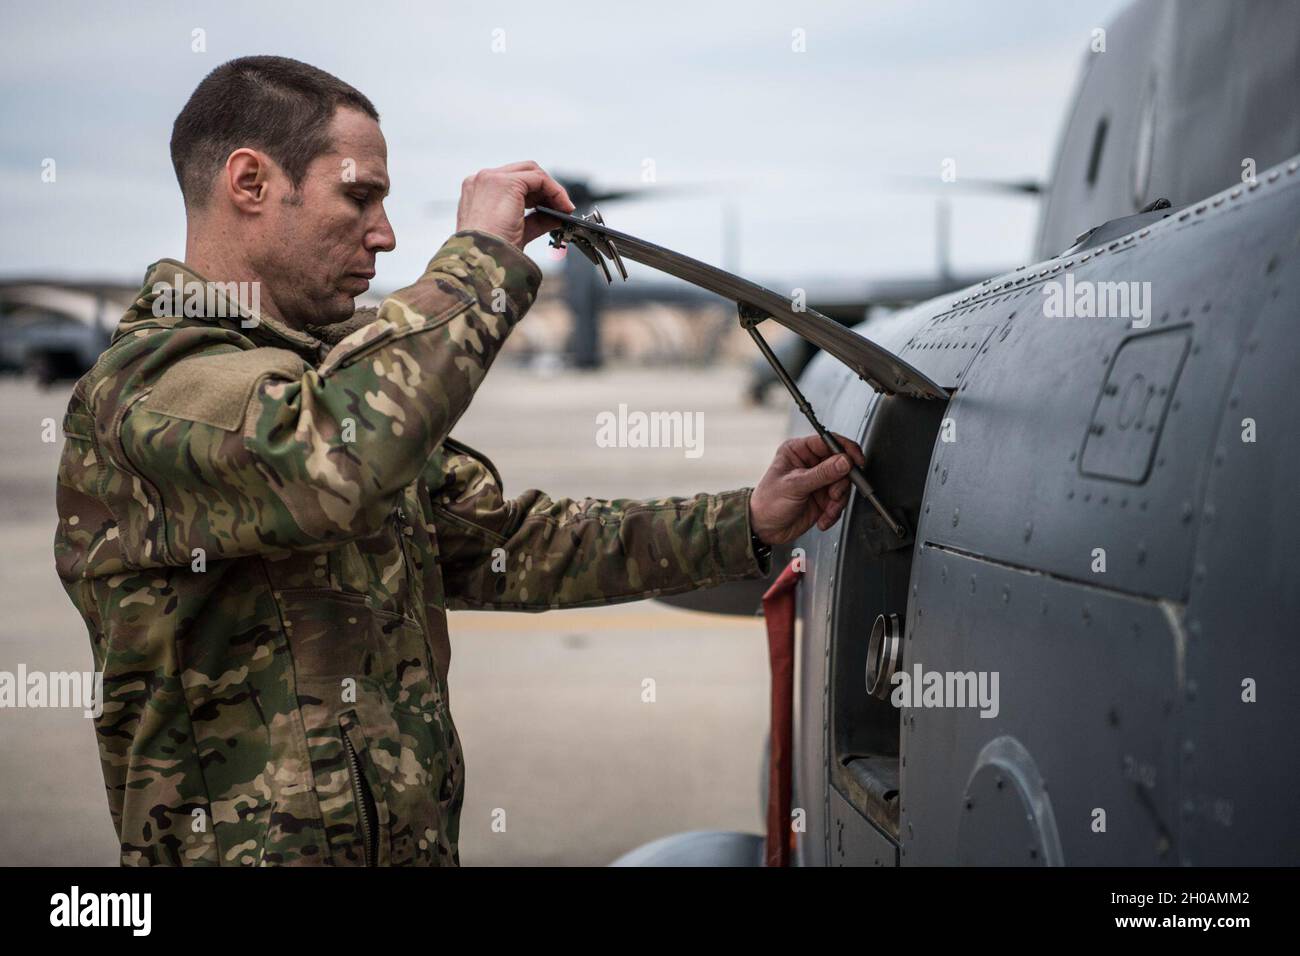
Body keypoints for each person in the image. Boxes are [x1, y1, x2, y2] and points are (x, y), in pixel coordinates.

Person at [52, 55, 864, 866]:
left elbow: (516, 546)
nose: (387, 233)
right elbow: (335, 464)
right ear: (251, 183)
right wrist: (478, 256)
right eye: (359, 196)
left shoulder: (322, 382)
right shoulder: (152, 390)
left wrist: (746, 520)